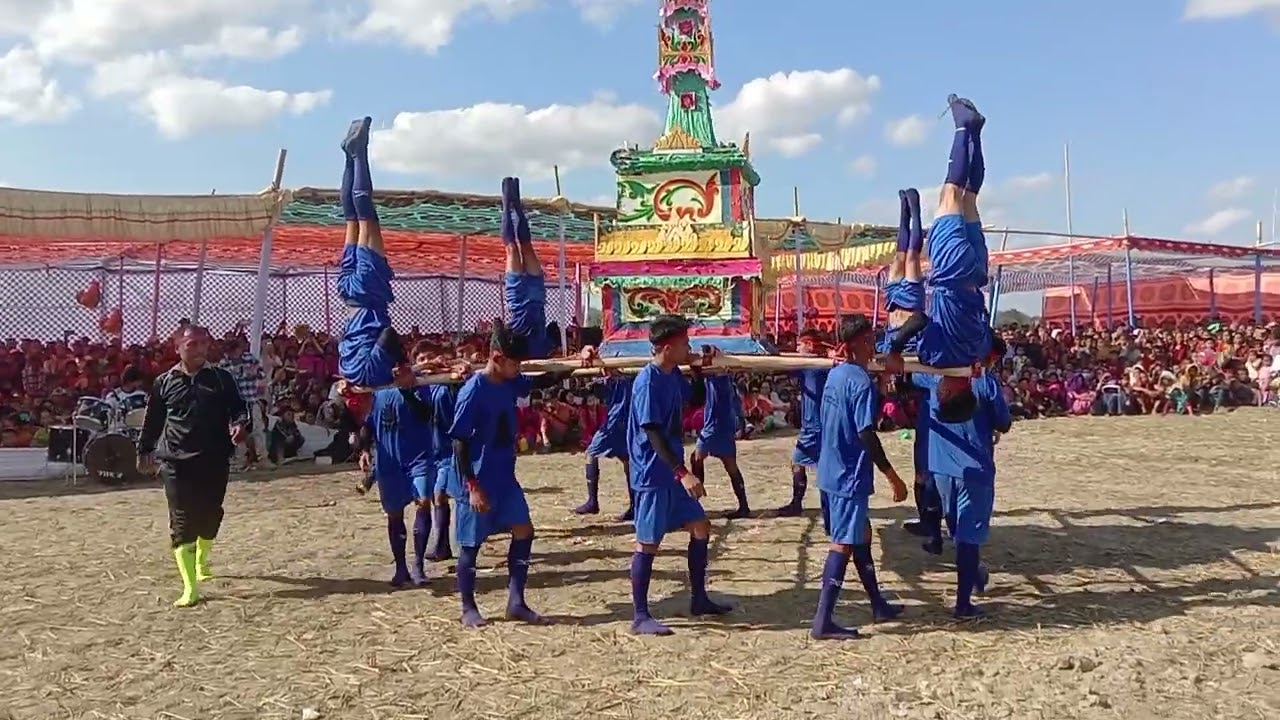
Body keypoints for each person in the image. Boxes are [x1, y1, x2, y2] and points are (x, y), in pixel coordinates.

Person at [448, 323, 581, 628]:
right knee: (471, 545)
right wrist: (472, 486)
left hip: (504, 476)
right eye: (515, 363)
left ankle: (516, 601)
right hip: (478, 479)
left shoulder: (509, 382)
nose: (518, 369)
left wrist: (575, 364)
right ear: (497, 357)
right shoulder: (473, 392)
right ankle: (468, 607)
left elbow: (539, 382)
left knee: (524, 530)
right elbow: (459, 441)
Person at [884, 95, 992, 423]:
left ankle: (974, 135)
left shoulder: (977, 354)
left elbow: (993, 339)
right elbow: (917, 320)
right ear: (948, 393)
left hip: (976, 275)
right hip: (952, 274)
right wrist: (895, 350)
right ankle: (963, 127)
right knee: (950, 195)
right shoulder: (939, 359)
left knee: (970, 199)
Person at [626, 315, 730, 636]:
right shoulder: (647, 381)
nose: (689, 347)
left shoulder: (672, 374)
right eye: (685, 343)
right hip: (654, 472)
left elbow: (693, 399)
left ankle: (699, 599)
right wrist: (683, 472)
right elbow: (653, 432)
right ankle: (640, 615)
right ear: (668, 348)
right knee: (649, 543)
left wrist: (700, 370)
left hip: (672, 470)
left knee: (700, 527)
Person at [810, 315, 909, 640]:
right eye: (871, 340)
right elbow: (866, 432)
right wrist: (892, 476)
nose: (875, 346)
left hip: (830, 468)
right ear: (860, 343)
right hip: (847, 473)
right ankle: (823, 620)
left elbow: (851, 416)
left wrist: (879, 389)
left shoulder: (837, 375)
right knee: (843, 543)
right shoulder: (858, 380)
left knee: (861, 534)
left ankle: (878, 603)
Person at [136, 326, 248, 608]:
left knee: (211, 515)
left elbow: (239, 408)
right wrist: (144, 450)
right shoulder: (164, 382)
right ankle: (190, 588)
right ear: (178, 348)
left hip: (214, 457)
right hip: (175, 461)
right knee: (182, 520)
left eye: (203, 343)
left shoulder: (221, 379)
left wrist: (239, 424)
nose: (199, 349)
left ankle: (202, 558)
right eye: (192, 344)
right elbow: (153, 420)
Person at [912, 340, 1011, 619]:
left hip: (941, 469)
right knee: (967, 537)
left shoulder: (934, 374)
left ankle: (974, 574)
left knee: (959, 532)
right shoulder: (984, 381)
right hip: (974, 471)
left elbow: (908, 371)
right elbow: (1003, 422)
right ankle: (963, 604)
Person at [355, 350, 462, 587]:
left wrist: (408, 390)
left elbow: (426, 414)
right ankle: (400, 567)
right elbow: (368, 425)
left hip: (419, 458)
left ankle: (419, 565)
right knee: (394, 514)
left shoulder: (421, 386)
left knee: (424, 501)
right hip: (388, 461)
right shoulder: (377, 390)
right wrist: (364, 451)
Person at [336, 116, 413, 389]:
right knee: (352, 222)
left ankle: (360, 151)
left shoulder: (374, 377)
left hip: (369, 294)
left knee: (367, 217)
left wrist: (403, 363)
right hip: (348, 296)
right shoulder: (347, 371)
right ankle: (348, 157)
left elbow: (388, 337)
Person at [778, 328, 828, 516]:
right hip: (816, 424)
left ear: (809, 345)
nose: (797, 348)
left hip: (814, 425)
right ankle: (804, 503)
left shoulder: (812, 367)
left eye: (800, 345)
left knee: (802, 463)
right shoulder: (817, 365)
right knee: (810, 464)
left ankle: (799, 504)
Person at [501, 176, 551, 359]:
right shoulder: (541, 349)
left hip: (518, 302)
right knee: (526, 248)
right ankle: (515, 205)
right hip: (536, 300)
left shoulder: (515, 346)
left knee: (512, 250)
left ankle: (508, 204)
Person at [691, 363, 750, 518]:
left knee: (697, 458)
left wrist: (697, 370)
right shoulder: (723, 377)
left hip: (715, 425)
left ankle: (695, 502)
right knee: (730, 465)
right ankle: (744, 506)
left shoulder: (720, 377)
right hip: (724, 424)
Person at [573, 372, 634, 520]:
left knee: (592, 453)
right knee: (627, 458)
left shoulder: (621, 374)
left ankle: (592, 501)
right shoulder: (623, 375)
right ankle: (634, 505)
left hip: (616, 417)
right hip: (627, 416)